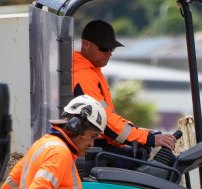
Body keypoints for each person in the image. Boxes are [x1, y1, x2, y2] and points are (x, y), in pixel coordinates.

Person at [72, 19, 177, 155]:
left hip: (100, 146)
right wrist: (148, 138)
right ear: (86, 44)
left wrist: (138, 131)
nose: (109, 53)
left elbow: (108, 118)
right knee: (157, 161)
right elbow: (103, 120)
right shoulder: (82, 75)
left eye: (112, 49)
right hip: (91, 149)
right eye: (104, 48)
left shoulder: (92, 71)